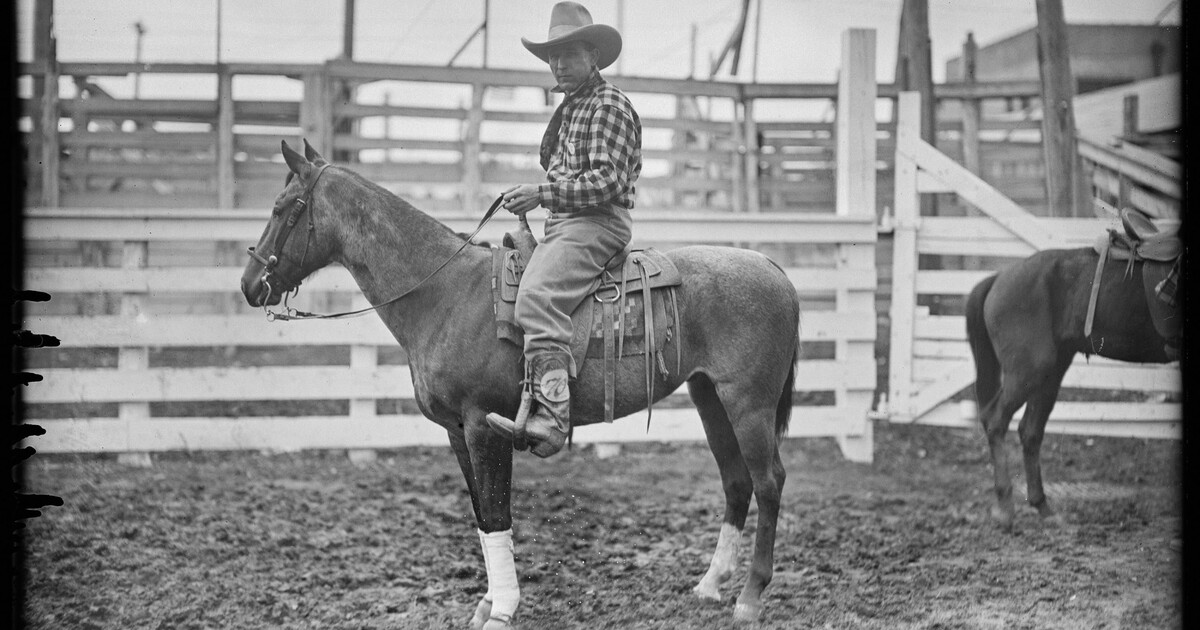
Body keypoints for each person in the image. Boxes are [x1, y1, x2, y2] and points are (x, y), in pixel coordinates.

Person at [486, 1, 642, 457]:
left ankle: (554, 419)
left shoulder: (608, 105)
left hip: (598, 223)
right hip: (567, 222)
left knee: (537, 296)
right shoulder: (573, 108)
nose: (558, 64)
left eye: (569, 54)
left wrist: (542, 194)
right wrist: (540, 196)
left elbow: (608, 181)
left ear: (593, 56)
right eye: (553, 56)